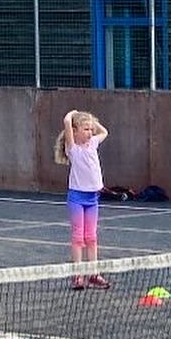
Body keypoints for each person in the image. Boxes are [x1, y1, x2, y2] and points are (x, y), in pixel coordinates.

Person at [54, 109, 110, 290]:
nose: (90, 132)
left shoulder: (93, 143)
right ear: (75, 131)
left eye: (90, 129)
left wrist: (92, 121)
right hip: (77, 198)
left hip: (92, 199)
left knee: (91, 237)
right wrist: (72, 115)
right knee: (78, 238)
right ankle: (77, 276)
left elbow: (104, 132)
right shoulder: (73, 149)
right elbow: (66, 120)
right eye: (85, 129)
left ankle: (93, 274)